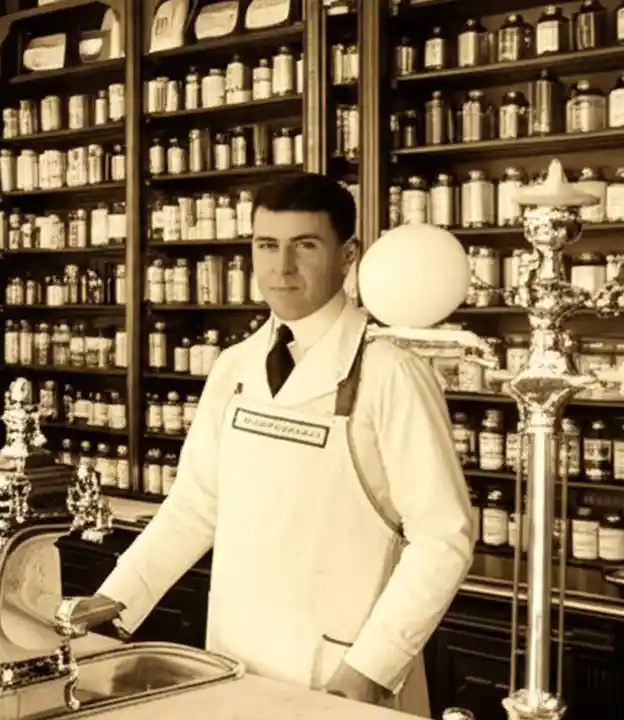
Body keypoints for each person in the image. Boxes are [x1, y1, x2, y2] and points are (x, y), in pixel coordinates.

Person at [72, 173, 475, 715]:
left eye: (304, 246)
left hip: (342, 672)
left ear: (347, 253)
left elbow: (442, 537)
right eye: (267, 246)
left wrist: (371, 667)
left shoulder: (390, 373)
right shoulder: (234, 366)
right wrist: (117, 599)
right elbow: (196, 505)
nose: (281, 268)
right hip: (234, 660)